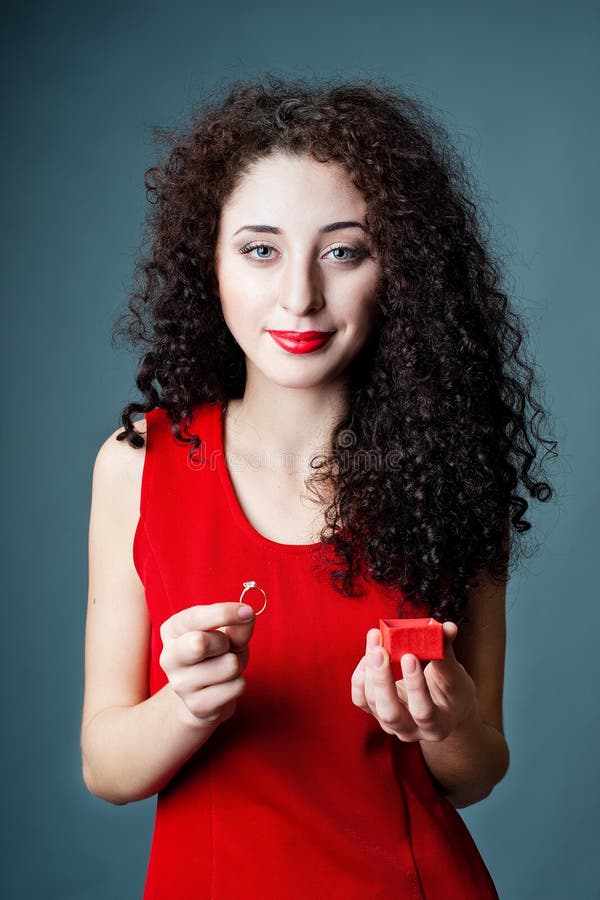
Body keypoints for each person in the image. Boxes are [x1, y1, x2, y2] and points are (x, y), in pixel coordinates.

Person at [80, 74, 556, 898]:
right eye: (260, 249)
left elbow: (477, 772)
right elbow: (106, 768)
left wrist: (444, 722)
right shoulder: (135, 464)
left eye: (343, 251)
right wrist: (186, 706)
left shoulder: (453, 470)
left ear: (398, 270)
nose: (299, 296)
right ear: (210, 262)